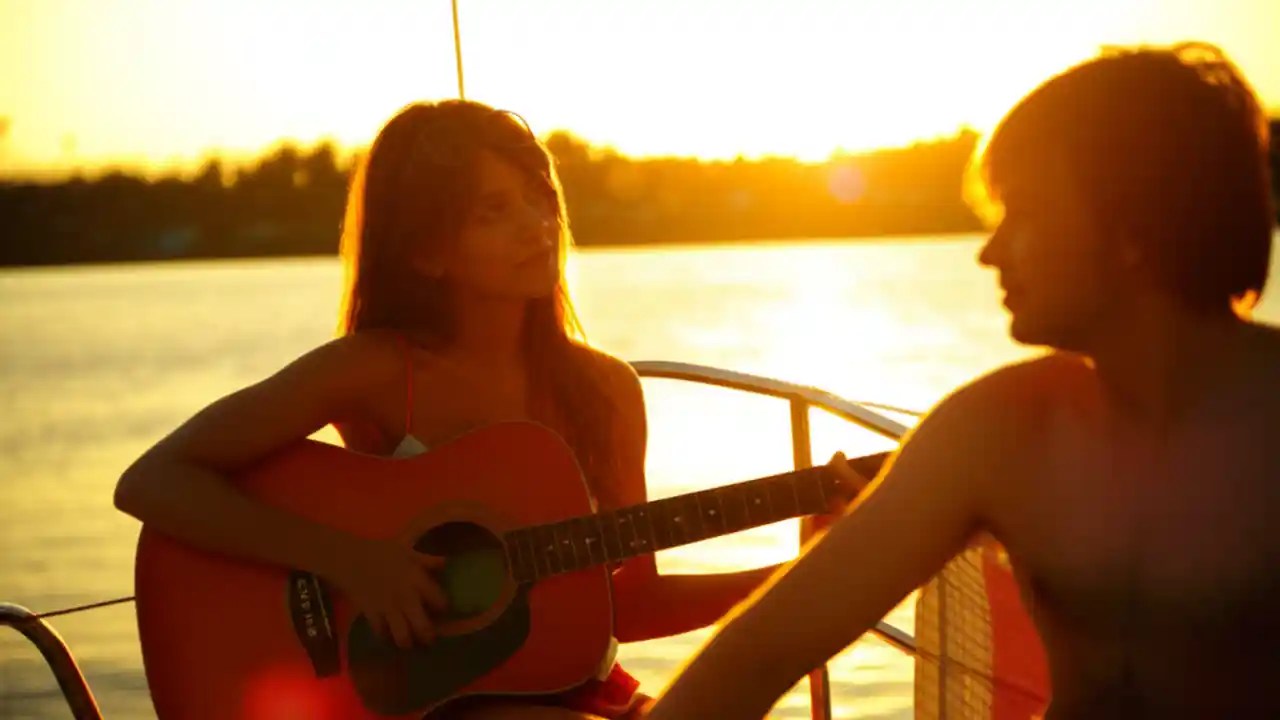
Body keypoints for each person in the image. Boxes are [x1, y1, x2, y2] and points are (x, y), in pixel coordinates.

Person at [645, 42, 1279, 719]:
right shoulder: (1000, 428)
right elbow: (759, 653)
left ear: (1134, 226)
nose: (989, 251)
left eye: (1026, 212)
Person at [114, 100, 806, 719]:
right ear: (425, 251)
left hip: (577, 693)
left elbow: (635, 603)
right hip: (426, 703)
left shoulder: (606, 391)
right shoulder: (380, 371)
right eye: (494, 211)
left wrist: (801, 568)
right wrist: (351, 562)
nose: (537, 227)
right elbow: (152, 480)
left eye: (539, 198)